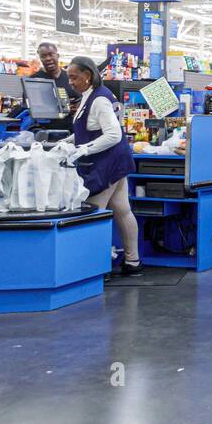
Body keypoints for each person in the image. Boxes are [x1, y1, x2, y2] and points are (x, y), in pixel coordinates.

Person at [66, 56, 142, 276]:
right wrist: (67, 142)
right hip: (116, 161)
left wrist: (84, 149)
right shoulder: (92, 96)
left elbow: (113, 134)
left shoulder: (98, 100)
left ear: (87, 76)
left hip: (107, 163)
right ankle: (133, 262)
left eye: (74, 77)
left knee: (93, 213)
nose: (70, 82)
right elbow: (89, 128)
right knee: (122, 210)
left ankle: (98, 267)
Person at [35, 41, 79, 117]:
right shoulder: (34, 80)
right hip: (45, 127)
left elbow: (80, 99)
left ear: (57, 56)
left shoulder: (71, 77)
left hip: (71, 126)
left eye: (51, 54)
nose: (48, 58)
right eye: (43, 56)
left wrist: (77, 106)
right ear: (40, 58)